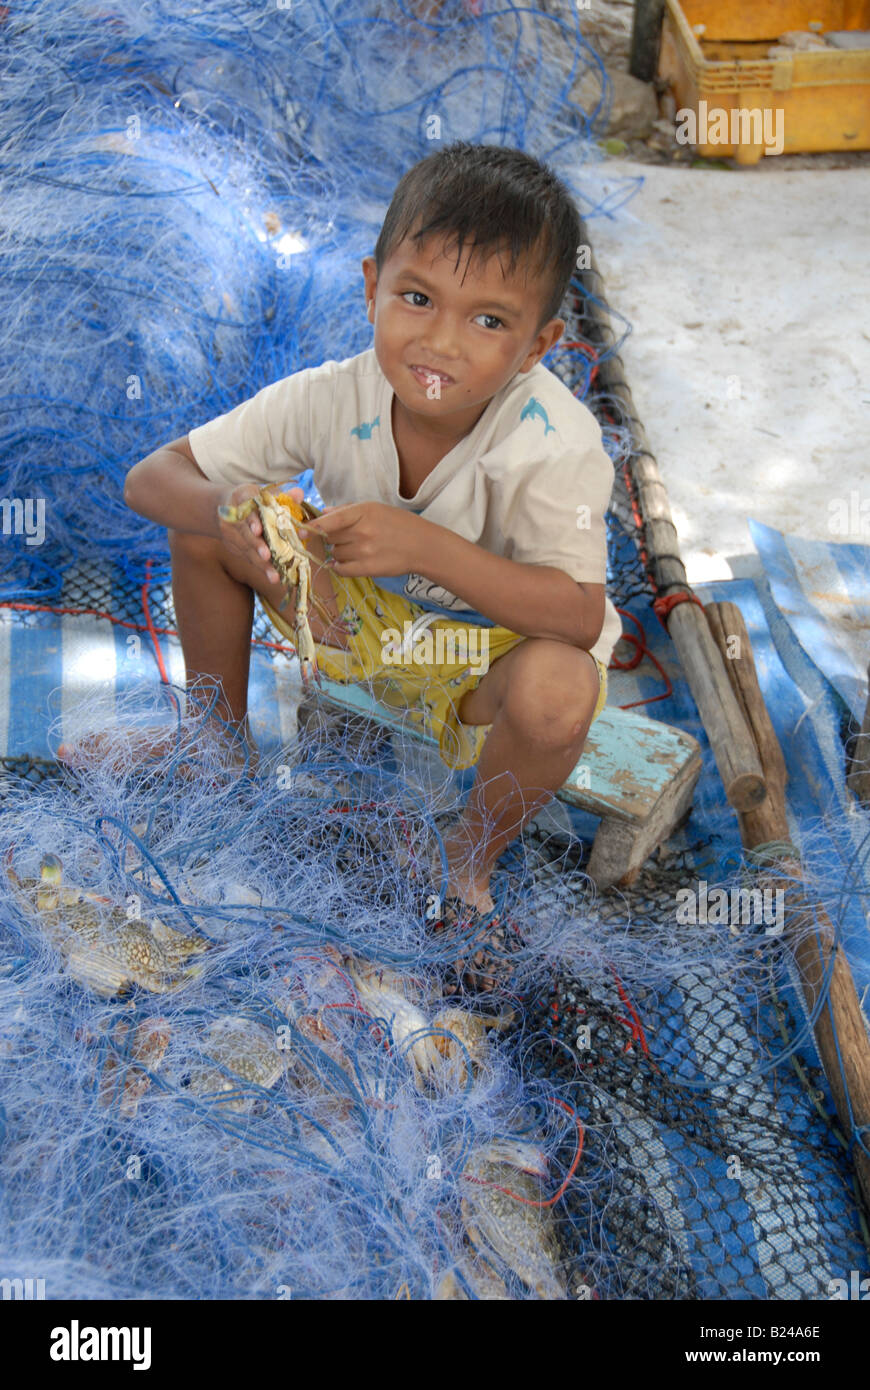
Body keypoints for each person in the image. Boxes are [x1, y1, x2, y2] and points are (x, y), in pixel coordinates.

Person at [59, 140, 621, 983]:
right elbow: (152, 480)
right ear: (370, 287)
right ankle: (216, 748)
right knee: (210, 530)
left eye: (489, 320)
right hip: (351, 622)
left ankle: (466, 865)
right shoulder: (332, 395)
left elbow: (578, 615)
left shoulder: (553, 441)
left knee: (563, 688)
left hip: (481, 662)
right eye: (418, 297)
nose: (440, 342)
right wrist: (235, 515)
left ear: (537, 345)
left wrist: (433, 550)